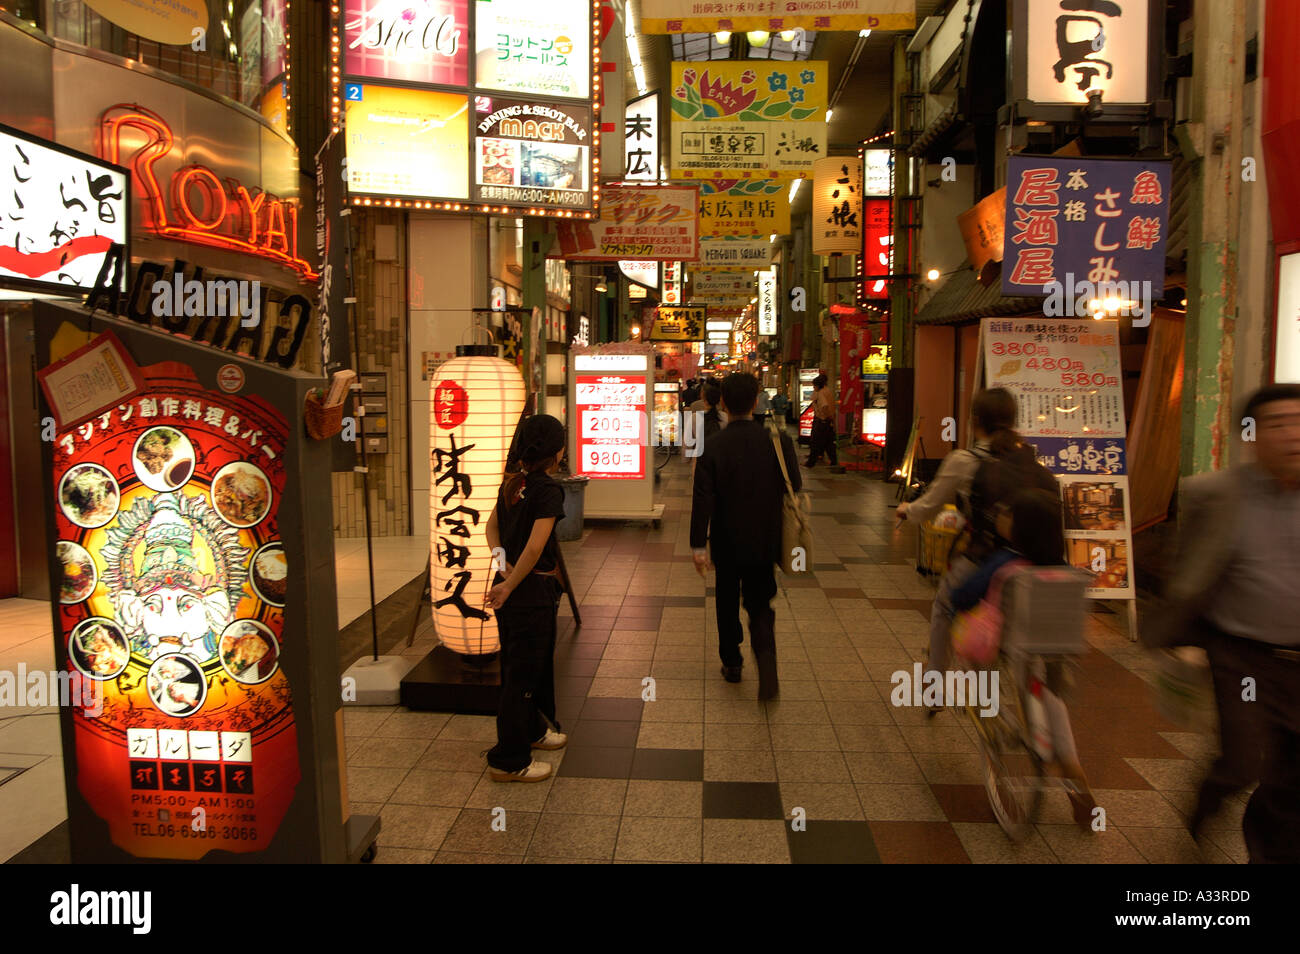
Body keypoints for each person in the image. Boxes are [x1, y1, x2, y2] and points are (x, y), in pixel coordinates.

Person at [1145, 383, 1300, 860]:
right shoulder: (1215, 495)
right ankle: (1209, 801)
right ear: (1251, 436)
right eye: (1279, 424)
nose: (1293, 435)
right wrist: (1180, 637)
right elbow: (1187, 570)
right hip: (1242, 655)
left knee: (1291, 774)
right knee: (1245, 758)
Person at [950, 487, 1096, 828]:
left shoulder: (1005, 561)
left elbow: (962, 596)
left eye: (1009, 514)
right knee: (1051, 697)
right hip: (1053, 648)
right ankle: (1073, 773)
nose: (1002, 515)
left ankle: (990, 712)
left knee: (973, 653)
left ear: (1019, 528)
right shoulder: (1064, 568)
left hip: (1007, 646)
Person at [897, 388, 1057, 693]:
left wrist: (907, 510)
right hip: (1037, 564)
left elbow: (928, 506)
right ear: (1013, 420)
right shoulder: (1030, 461)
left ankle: (934, 686)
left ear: (974, 421)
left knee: (945, 606)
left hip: (986, 562)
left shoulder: (964, 460)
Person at [691, 373, 801, 700]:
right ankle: (766, 662)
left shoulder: (713, 446)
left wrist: (699, 544)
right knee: (760, 601)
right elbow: (794, 485)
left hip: (726, 540)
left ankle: (733, 662)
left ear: (723, 403)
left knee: (726, 599)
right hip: (766, 539)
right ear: (756, 401)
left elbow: (703, 498)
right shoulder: (778, 441)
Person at [483, 414, 569, 783]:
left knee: (523, 667)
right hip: (530, 592)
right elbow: (536, 548)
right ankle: (509, 759)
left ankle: (533, 731)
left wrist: (503, 572)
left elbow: (490, 528)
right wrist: (511, 582)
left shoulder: (512, 483)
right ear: (555, 451)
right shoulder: (547, 489)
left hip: (513, 589)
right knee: (522, 676)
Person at [804, 374, 838, 467]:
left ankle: (811, 462)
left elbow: (824, 406)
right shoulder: (827, 390)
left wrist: (824, 415)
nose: (813, 387)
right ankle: (834, 461)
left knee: (815, 442)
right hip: (828, 420)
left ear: (818, 385)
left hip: (822, 420)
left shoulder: (820, 392)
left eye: (814, 385)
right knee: (829, 442)